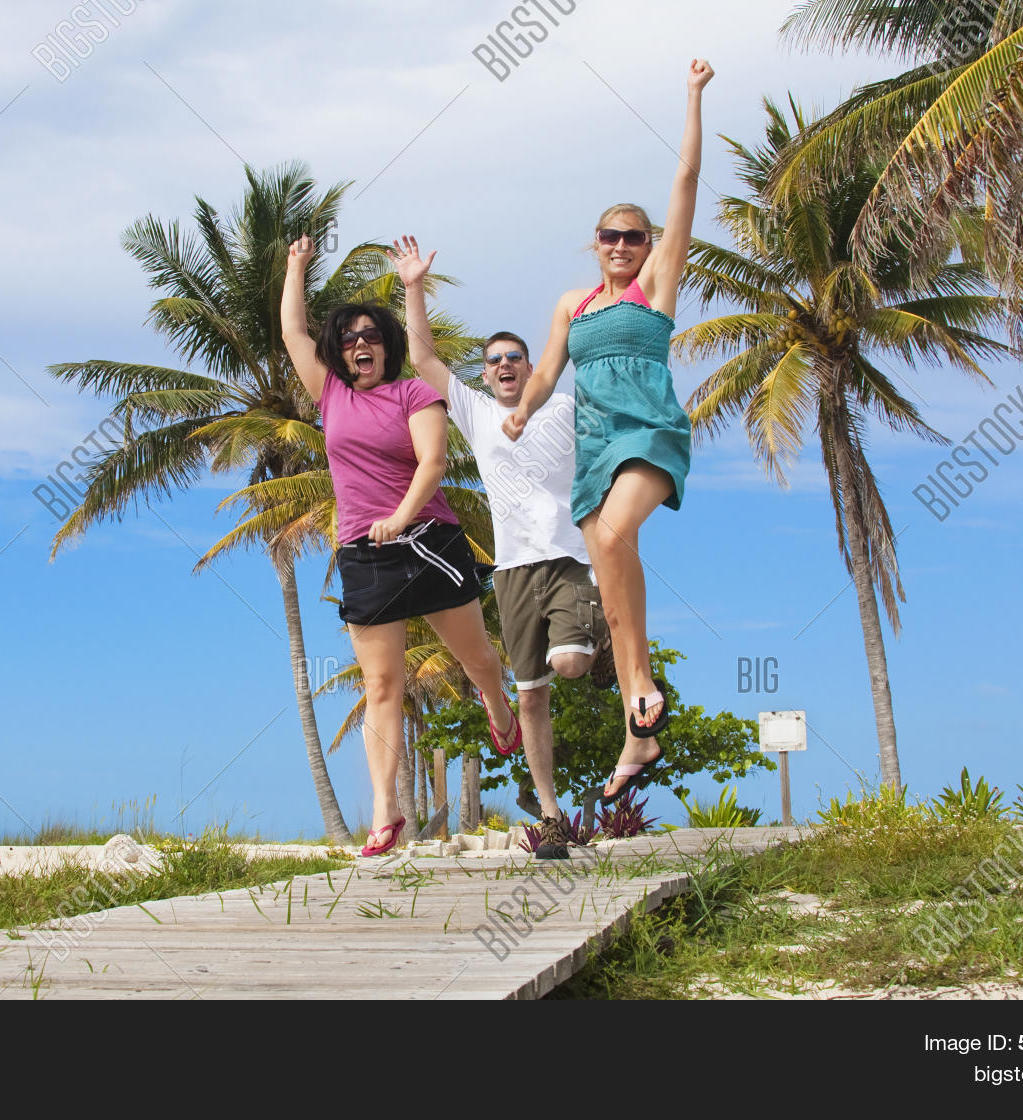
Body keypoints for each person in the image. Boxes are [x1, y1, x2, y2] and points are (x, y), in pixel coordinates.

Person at [503, 58, 714, 807]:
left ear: (648, 242)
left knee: (619, 538)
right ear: (594, 243)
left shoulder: (658, 285)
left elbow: (685, 182)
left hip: (648, 433)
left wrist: (690, 97)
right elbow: (546, 370)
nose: (621, 245)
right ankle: (638, 724)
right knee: (614, 594)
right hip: (595, 449)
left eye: (632, 236)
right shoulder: (573, 303)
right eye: (609, 236)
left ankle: (644, 685)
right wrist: (525, 407)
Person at [280, 234, 522, 857]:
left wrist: (400, 516)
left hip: (427, 541)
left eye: (373, 336)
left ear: (387, 345)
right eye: (351, 338)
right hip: (364, 554)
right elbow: (292, 334)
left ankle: (499, 707)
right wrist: (296, 267)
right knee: (382, 686)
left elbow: (433, 462)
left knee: (477, 662)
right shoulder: (330, 394)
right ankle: (386, 812)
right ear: (340, 351)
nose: (362, 345)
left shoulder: (415, 392)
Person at [392, 236, 608, 860]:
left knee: (570, 664)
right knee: (532, 694)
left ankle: (602, 645)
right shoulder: (477, 413)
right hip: (511, 571)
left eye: (516, 356)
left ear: (532, 364)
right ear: (485, 373)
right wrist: (413, 286)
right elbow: (425, 358)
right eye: (495, 360)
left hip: (568, 557)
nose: (507, 366)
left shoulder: (563, 405)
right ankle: (551, 815)